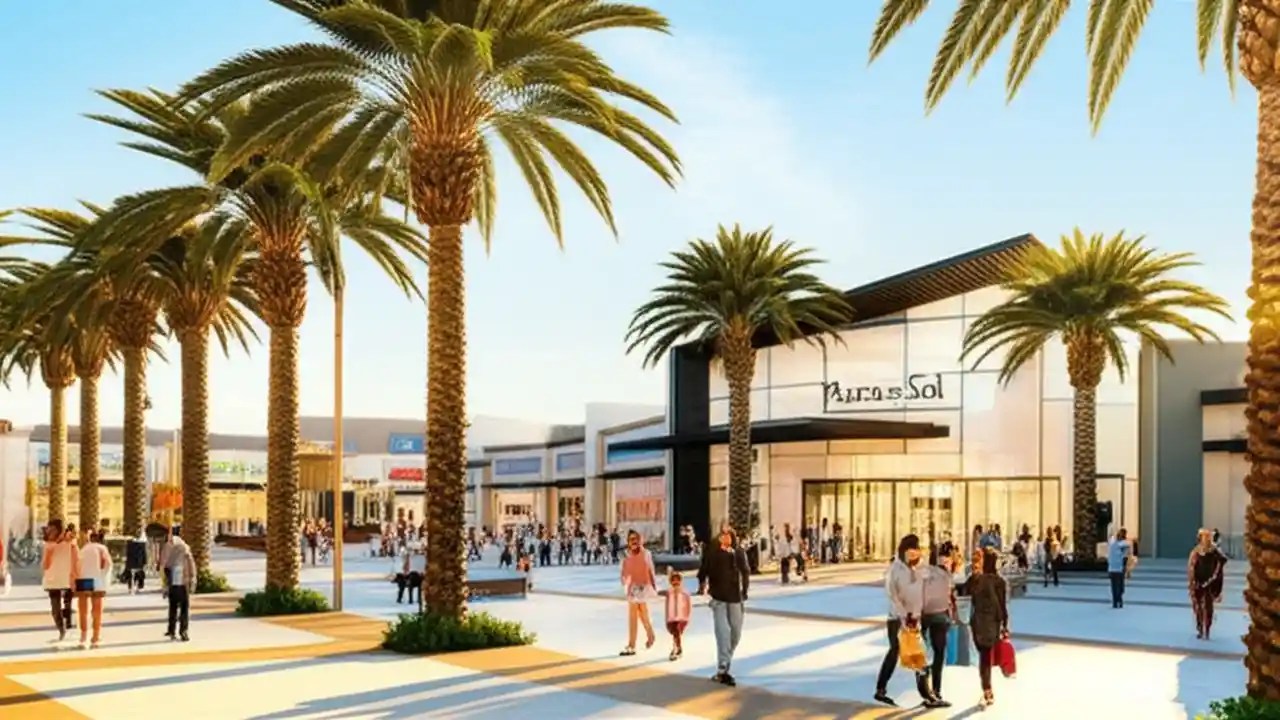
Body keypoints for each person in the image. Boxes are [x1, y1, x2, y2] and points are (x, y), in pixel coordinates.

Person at [874, 534, 941, 708]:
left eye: (916, 552)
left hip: (911, 618)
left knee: (913, 654)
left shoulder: (914, 569)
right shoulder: (895, 569)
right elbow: (894, 596)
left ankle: (925, 694)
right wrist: (905, 615)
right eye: (912, 553)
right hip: (898, 619)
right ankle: (883, 689)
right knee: (903, 652)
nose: (915, 556)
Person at [697, 525, 750, 686]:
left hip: (735, 598)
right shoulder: (712, 552)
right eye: (722, 535)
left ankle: (726, 660)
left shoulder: (738, 552)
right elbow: (703, 569)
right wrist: (702, 583)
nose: (725, 537)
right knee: (723, 632)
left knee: (735, 632)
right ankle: (722, 667)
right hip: (718, 598)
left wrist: (745, 590)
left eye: (728, 535)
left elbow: (745, 571)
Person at [966, 548, 1009, 708]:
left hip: (978, 622)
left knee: (983, 656)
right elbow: (1003, 605)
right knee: (986, 656)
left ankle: (987, 688)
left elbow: (963, 592)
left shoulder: (976, 580)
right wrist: (1005, 624)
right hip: (993, 623)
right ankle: (987, 689)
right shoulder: (1000, 582)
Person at [920, 546, 955, 707]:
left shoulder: (924, 573)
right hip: (941, 615)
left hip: (925, 615)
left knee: (923, 652)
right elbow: (950, 596)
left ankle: (925, 690)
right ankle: (936, 690)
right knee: (939, 653)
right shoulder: (946, 574)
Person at [618, 529, 657, 656]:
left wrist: (654, 586)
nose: (633, 542)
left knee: (639, 612)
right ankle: (639, 640)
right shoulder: (626, 555)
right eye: (631, 540)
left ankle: (639, 640)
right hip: (633, 587)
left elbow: (651, 569)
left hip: (643, 586)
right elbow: (624, 572)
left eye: (635, 539)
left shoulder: (646, 554)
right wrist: (624, 582)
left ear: (640, 540)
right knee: (637, 613)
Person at [42, 520, 79, 642]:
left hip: (67, 578)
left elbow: (76, 559)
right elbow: (46, 566)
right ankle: (61, 630)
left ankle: (68, 626)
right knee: (55, 609)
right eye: (48, 529)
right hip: (53, 580)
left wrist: (75, 575)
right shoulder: (48, 545)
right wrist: (50, 550)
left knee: (68, 605)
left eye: (52, 530)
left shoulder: (71, 542)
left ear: (59, 530)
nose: (49, 532)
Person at [75, 530, 112, 649]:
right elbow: (108, 564)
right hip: (97, 579)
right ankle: (95, 637)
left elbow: (77, 564)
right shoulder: (102, 549)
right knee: (97, 610)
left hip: (84, 578)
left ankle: (83, 635)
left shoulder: (84, 549)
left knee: (83, 609)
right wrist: (104, 577)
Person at [1188, 528, 1228, 640]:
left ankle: (1207, 629)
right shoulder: (1196, 551)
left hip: (1209, 583)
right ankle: (1200, 629)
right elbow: (1191, 566)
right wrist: (1193, 581)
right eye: (1203, 537)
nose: (1205, 539)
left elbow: (1223, 560)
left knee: (1208, 608)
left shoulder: (1214, 551)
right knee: (1198, 607)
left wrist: (1215, 574)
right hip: (1197, 583)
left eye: (1207, 537)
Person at [163, 532, 196, 641]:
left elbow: (166, 570)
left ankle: (173, 630)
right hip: (181, 586)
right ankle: (182, 631)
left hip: (177, 585)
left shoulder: (175, 556)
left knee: (174, 608)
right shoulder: (186, 554)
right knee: (183, 609)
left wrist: (167, 585)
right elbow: (192, 570)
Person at [664, 571, 692, 661]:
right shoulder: (669, 593)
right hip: (671, 618)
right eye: (673, 580)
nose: (675, 582)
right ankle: (678, 648)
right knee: (675, 634)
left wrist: (687, 617)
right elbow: (667, 606)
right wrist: (667, 619)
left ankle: (675, 650)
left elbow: (688, 605)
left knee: (676, 631)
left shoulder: (685, 593)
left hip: (681, 617)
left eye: (678, 580)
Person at [1107, 528, 1132, 608]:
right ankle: (1118, 601)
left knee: (1114, 586)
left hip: (1112, 568)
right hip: (1118, 569)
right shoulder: (1123, 544)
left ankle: (1116, 601)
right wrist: (1126, 569)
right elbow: (1125, 557)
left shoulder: (1112, 543)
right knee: (1120, 586)